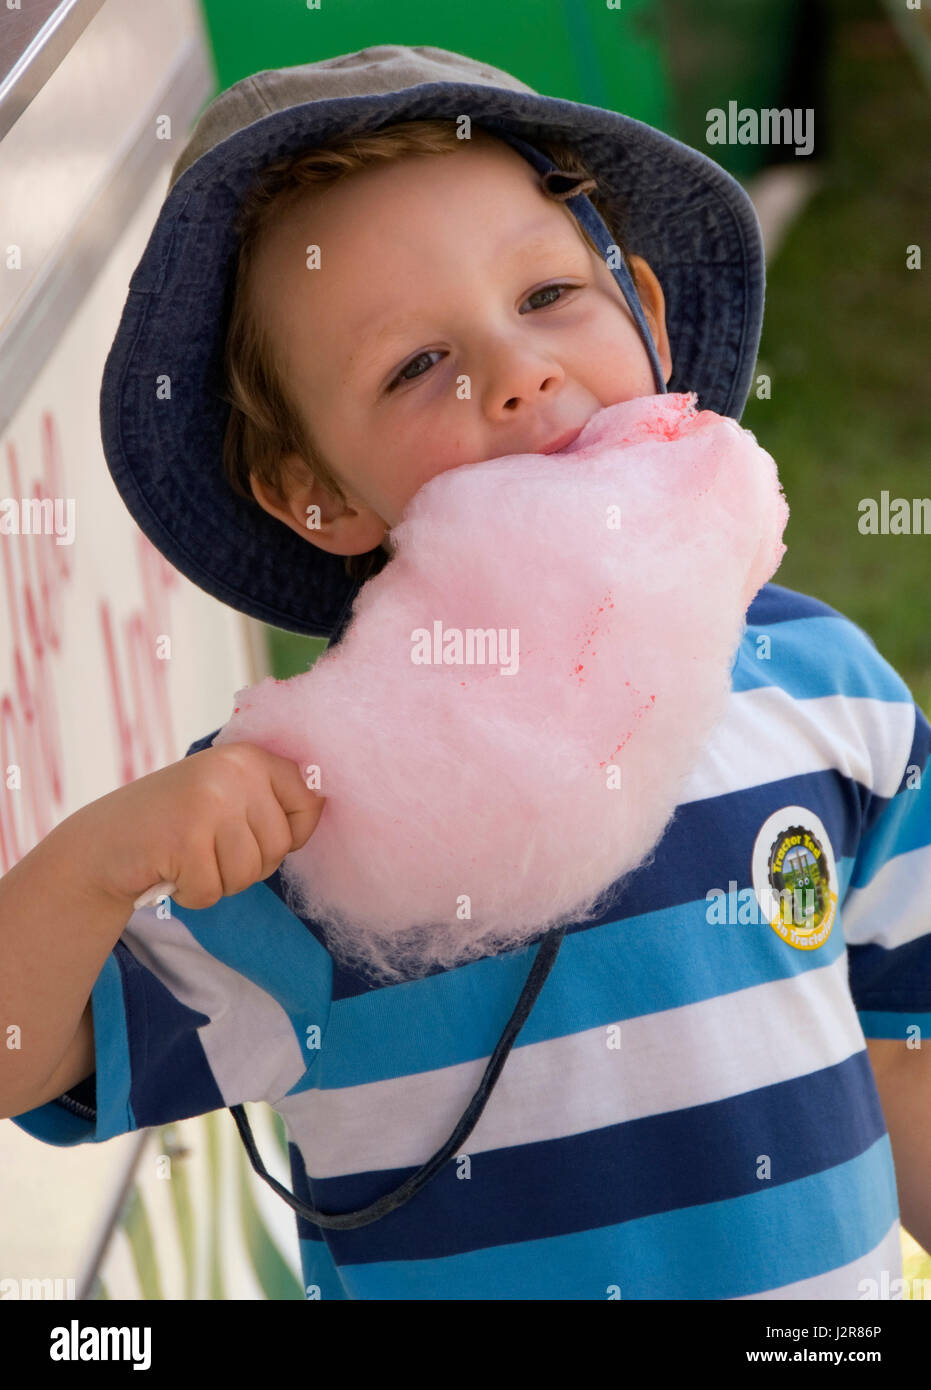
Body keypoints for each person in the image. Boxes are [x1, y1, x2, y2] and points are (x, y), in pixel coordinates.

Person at [2, 45, 929, 1301]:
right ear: (314, 494)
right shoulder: (298, 813)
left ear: (647, 317)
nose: (516, 373)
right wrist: (100, 858)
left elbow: (900, 1055)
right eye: (411, 366)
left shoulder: (826, 689)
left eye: (546, 294)